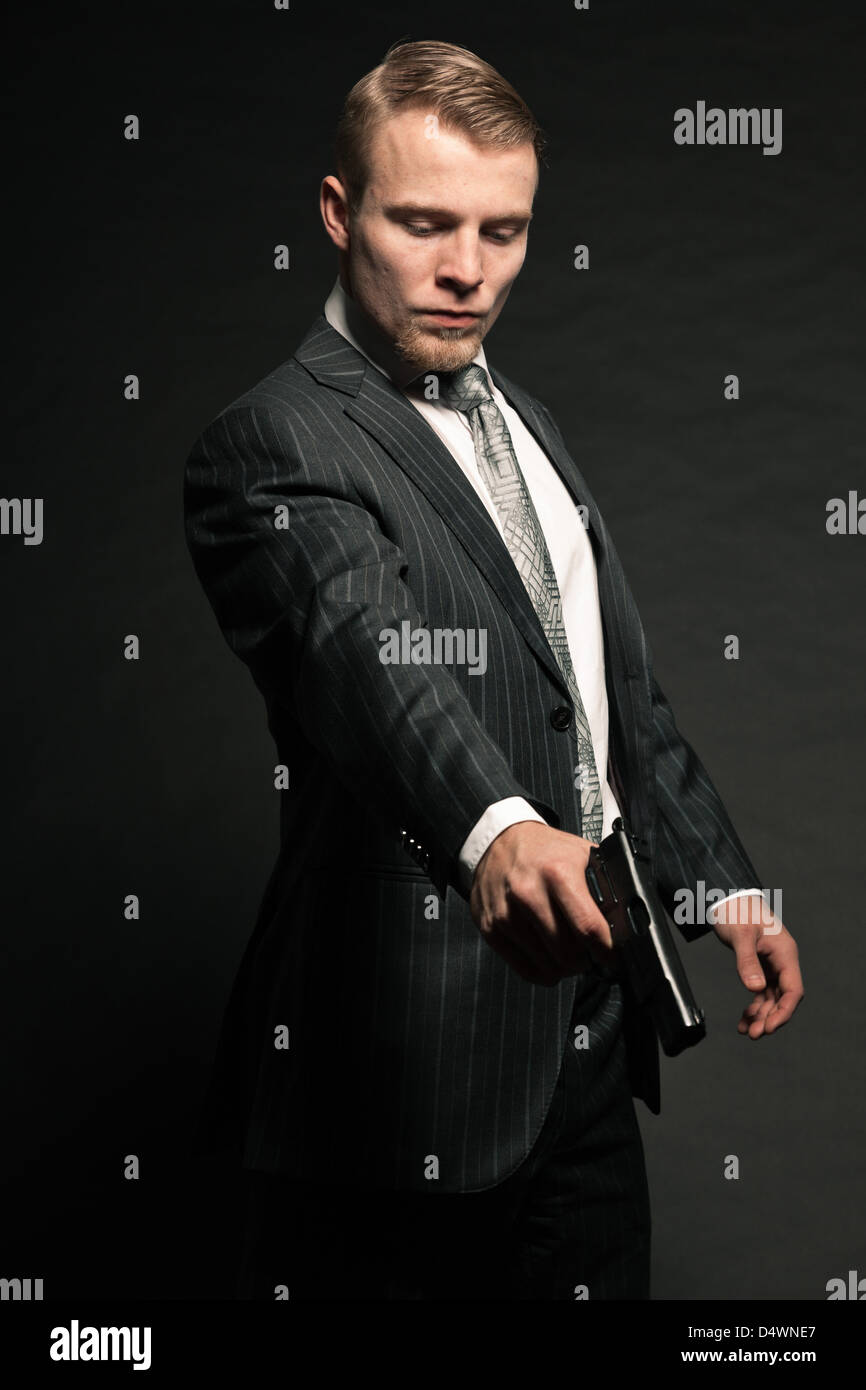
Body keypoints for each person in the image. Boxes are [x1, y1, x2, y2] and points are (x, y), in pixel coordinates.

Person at [183, 39, 804, 1300]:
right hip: (396, 1074)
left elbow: (605, 696)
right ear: (337, 213)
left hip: (584, 1054)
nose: (468, 271)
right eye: (424, 224)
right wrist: (492, 831)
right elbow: (364, 655)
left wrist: (719, 884)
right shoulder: (273, 443)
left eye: (503, 231)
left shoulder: (524, 422)